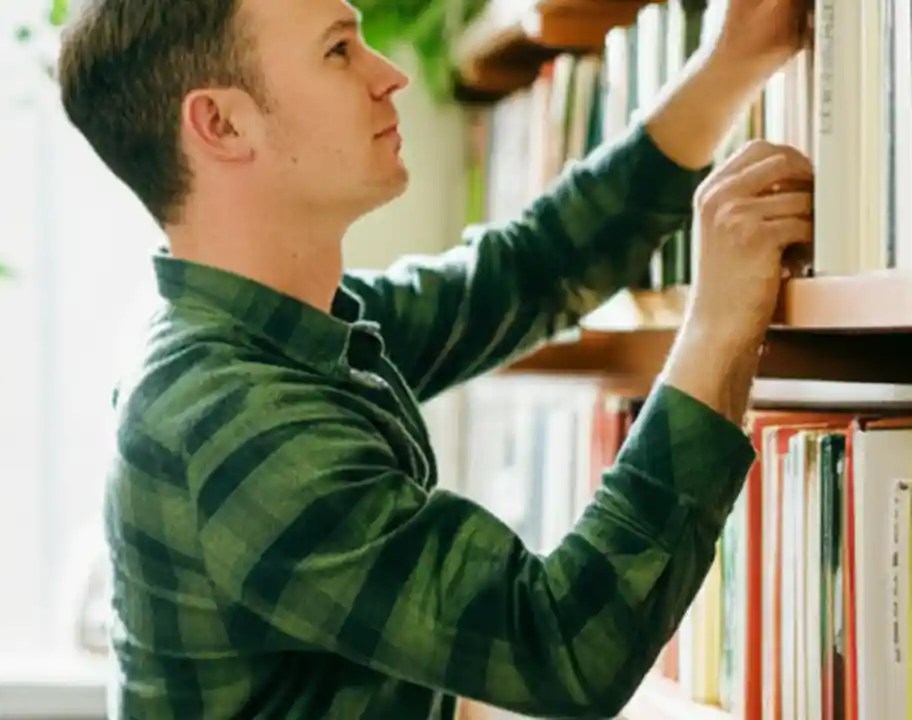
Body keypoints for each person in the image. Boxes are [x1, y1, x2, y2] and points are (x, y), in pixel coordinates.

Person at [58, 0, 813, 717]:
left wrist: (727, 65)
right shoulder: (230, 418)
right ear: (220, 123)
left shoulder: (265, 332)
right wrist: (718, 325)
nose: (391, 74)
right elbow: (561, 646)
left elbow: (523, 274)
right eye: (338, 49)